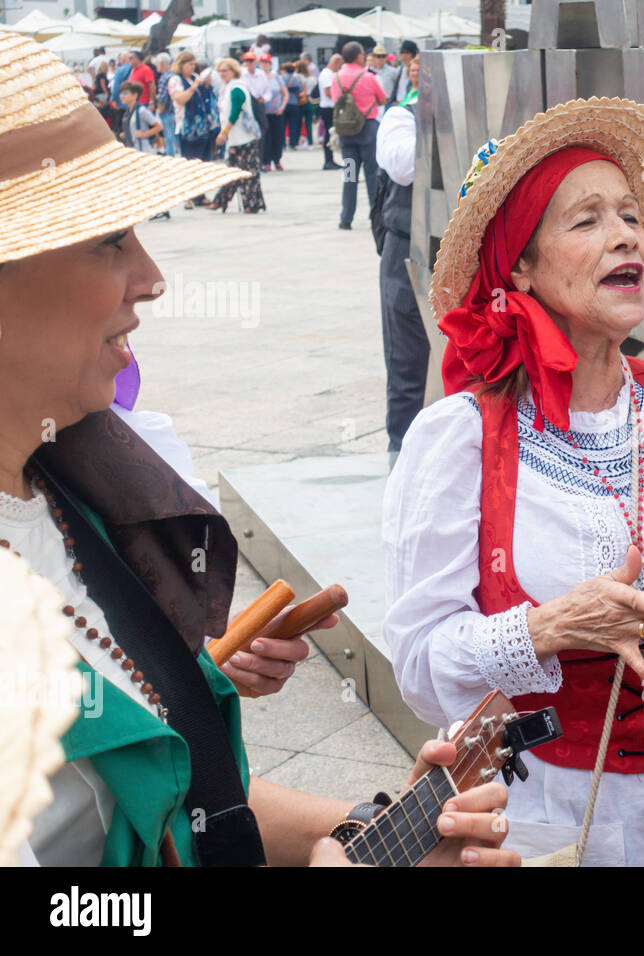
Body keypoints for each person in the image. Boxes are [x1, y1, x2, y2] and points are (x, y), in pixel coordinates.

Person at [0, 31, 518, 868]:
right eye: (108, 241)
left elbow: (180, 795)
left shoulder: (71, 488)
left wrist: (366, 825)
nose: (152, 276)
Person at [384, 98, 644, 866]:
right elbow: (419, 667)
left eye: (628, 215)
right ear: (520, 264)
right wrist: (545, 629)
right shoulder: (462, 440)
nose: (625, 234)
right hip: (552, 813)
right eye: (585, 220)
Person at [375, 56, 429, 452]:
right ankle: (402, 451)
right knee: (408, 360)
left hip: (469, 250)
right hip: (407, 248)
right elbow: (403, 166)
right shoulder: (400, 117)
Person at [331, 41, 387, 230]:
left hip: (345, 132)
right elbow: (382, 99)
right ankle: (375, 215)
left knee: (349, 175)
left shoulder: (336, 77)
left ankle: (346, 217)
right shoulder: (368, 77)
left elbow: (334, 101)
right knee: (372, 174)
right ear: (358, 56)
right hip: (367, 129)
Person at [208, 57, 266, 214]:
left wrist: (224, 132)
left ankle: (249, 203)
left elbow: (235, 113)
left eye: (225, 70)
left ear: (233, 71)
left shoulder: (236, 88)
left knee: (247, 172)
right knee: (234, 171)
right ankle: (223, 200)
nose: (222, 73)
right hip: (236, 138)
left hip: (244, 137)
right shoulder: (228, 88)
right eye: (220, 70)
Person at [170, 51, 217, 207]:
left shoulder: (193, 79)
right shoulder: (176, 80)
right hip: (187, 127)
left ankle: (199, 195)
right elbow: (180, 99)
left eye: (193, 64)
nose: (193, 67)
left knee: (203, 162)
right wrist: (194, 87)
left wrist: (206, 86)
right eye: (189, 64)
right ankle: (189, 196)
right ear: (181, 64)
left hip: (203, 126)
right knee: (190, 162)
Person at [260, 54, 288, 171]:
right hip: (264, 112)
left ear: (270, 64)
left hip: (276, 112)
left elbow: (285, 93)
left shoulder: (276, 77)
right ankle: (266, 161)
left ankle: (277, 159)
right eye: (262, 63)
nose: (265, 65)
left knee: (278, 137)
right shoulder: (258, 77)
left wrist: (282, 107)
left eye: (267, 63)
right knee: (266, 138)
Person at [318, 53, 343, 170]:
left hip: (330, 107)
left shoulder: (330, 73)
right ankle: (328, 161)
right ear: (336, 62)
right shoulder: (327, 74)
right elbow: (328, 92)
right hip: (328, 108)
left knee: (331, 134)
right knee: (329, 134)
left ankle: (330, 159)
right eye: (340, 65)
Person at [153, 52, 176, 156]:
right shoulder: (173, 75)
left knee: (168, 138)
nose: (156, 66)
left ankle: (171, 158)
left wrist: (159, 110)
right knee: (174, 137)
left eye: (157, 63)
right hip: (175, 111)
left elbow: (163, 98)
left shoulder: (163, 77)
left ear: (161, 64)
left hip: (167, 111)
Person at [282, 61, 304, 151]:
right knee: (294, 125)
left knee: (282, 125)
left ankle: (282, 144)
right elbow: (301, 91)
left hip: (283, 103)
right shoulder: (297, 79)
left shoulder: (281, 78)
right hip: (294, 103)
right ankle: (293, 144)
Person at [392, 39, 419, 104]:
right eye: (401, 52)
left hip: (409, 104)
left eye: (405, 52)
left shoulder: (417, 68)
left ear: (411, 54)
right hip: (399, 103)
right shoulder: (402, 67)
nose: (401, 54)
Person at [297, 58, 316, 147]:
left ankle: (297, 140)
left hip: (300, 100)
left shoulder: (297, 77)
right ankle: (310, 141)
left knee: (298, 123)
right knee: (309, 123)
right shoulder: (312, 78)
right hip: (310, 100)